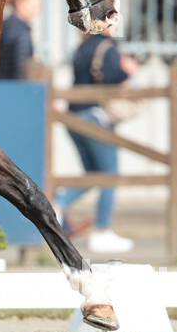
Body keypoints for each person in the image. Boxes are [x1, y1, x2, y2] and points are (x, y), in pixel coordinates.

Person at [53, 31, 138, 254]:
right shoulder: (106, 47)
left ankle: (58, 202)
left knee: (93, 173)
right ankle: (102, 231)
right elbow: (111, 78)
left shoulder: (81, 47)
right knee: (109, 175)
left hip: (73, 117)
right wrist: (127, 71)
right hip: (94, 117)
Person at [0, 0, 39, 79]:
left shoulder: (6, 25)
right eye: (33, 5)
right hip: (15, 86)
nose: (37, 10)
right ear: (20, 3)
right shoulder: (19, 30)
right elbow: (21, 65)